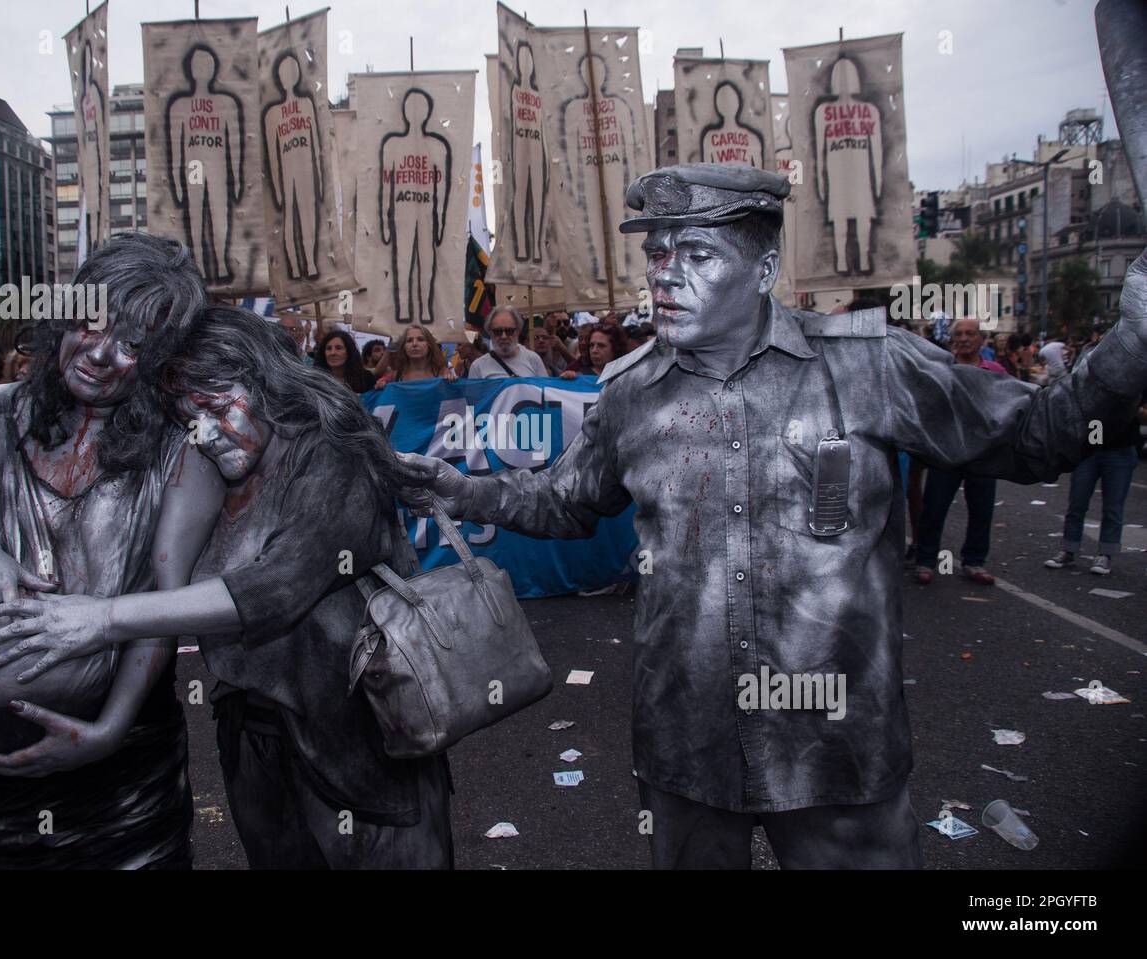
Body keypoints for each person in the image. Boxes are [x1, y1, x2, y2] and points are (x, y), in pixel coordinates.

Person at [400, 163, 1147, 870]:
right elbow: (565, 500)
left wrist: (1133, 342)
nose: (664, 271)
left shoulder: (870, 364)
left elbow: (1037, 434)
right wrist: (461, 489)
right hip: (687, 745)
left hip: (837, 749)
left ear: (763, 269)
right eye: (657, 252)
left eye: (695, 251)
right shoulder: (629, 391)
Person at [0, 306, 454, 870]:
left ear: (267, 381)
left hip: (363, 738)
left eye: (213, 404)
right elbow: (165, 578)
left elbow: (276, 586)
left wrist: (100, 618)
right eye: (185, 417)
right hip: (253, 737)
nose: (201, 431)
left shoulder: (334, 450)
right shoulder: (210, 466)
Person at [0, 232, 221, 870]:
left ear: (165, 360)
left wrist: (105, 734)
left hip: (118, 783)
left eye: (133, 344)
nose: (100, 354)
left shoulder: (180, 448)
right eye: (89, 325)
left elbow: (166, 603)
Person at [910, 319, 1009, 585]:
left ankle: (975, 562)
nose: (964, 338)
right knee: (934, 507)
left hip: (982, 453)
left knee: (981, 509)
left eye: (970, 333)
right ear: (952, 340)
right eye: (959, 334)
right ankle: (926, 560)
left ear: (981, 339)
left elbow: (1008, 406)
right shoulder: (942, 369)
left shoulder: (995, 371)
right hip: (948, 451)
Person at [1045, 389, 1147, 575]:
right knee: (1077, 501)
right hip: (1092, 443)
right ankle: (1069, 550)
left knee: (1113, 506)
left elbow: (1144, 416)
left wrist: (1133, 408)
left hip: (1121, 448)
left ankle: (1105, 555)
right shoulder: (1097, 372)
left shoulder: (1136, 379)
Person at [468, 306, 547, 378]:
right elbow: (472, 393)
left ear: (518, 332)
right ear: (490, 333)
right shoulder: (478, 366)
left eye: (509, 331)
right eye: (498, 331)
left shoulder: (533, 359)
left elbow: (546, 390)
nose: (504, 336)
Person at [375, 324, 457, 387]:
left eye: (420, 339)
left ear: (429, 345)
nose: (414, 344)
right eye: (409, 340)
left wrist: (451, 382)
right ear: (404, 347)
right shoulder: (395, 376)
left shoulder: (442, 373)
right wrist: (381, 384)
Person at [314, 329, 374, 393]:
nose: (332, 353)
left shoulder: (365, 378)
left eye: (338, 348)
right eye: (328, 348)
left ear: (349, 351)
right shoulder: (316, 380)